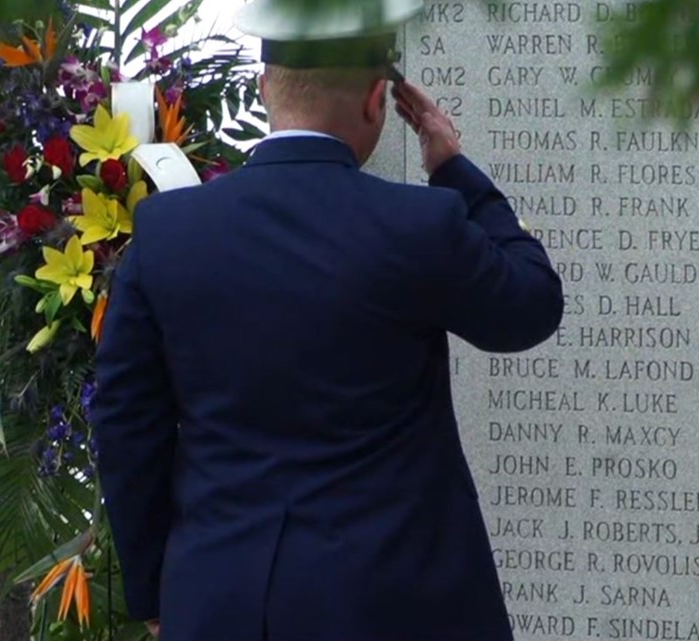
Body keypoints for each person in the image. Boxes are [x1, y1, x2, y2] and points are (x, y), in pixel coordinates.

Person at [91, 2, 563, 640]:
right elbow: (531, 306)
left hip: (223, 603)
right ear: (376, 100)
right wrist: (452, 168)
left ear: (264, 91)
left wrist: (156, 588)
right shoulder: (419, 225)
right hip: (393, 604)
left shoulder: (167, 232)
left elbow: (126, 421)